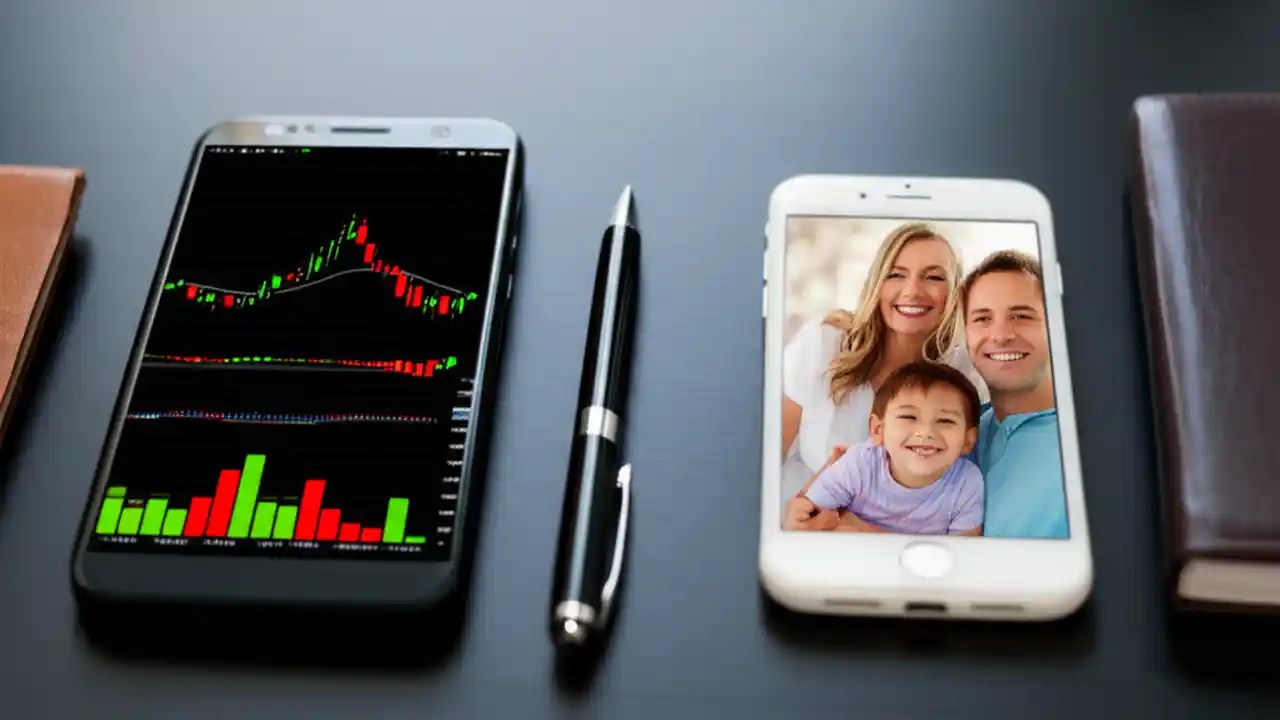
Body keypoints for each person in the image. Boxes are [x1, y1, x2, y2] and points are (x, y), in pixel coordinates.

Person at [781, 222, 985, 498]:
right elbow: (769, 454)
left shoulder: (966, 375)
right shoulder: (824, 342)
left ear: (955, 292)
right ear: (877, 283)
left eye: (934, 277)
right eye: (896, 275)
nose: (912, 291)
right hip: (797, 518)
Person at [783, 361, 984, 535]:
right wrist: (804, 519)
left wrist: (861, 529)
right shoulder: (858, 465)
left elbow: (964, 557)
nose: (926, 432)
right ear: (878, 429)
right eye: (909, 417)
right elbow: (809, 521)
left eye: (945, 420)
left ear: (968, 440)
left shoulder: (967, 482)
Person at [959, 250, 1068, 539]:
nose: (1000, 335)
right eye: (982, 319)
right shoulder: (957, 433)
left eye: (1021, 316)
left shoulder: (1084, 442)